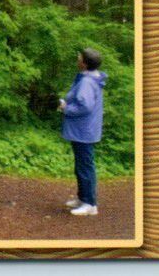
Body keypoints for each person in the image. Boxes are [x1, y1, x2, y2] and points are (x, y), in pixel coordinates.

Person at [60, 48, 107, 216]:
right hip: (84, 129)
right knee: (82, 165)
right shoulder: (90, 78)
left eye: (79, 58)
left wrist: (66, 108)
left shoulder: (87, 82)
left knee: (85, 167)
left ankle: (90, 204)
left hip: (83, 131)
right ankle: (83, 198)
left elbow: (85, 106)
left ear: (85, 63)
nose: (77, 59)